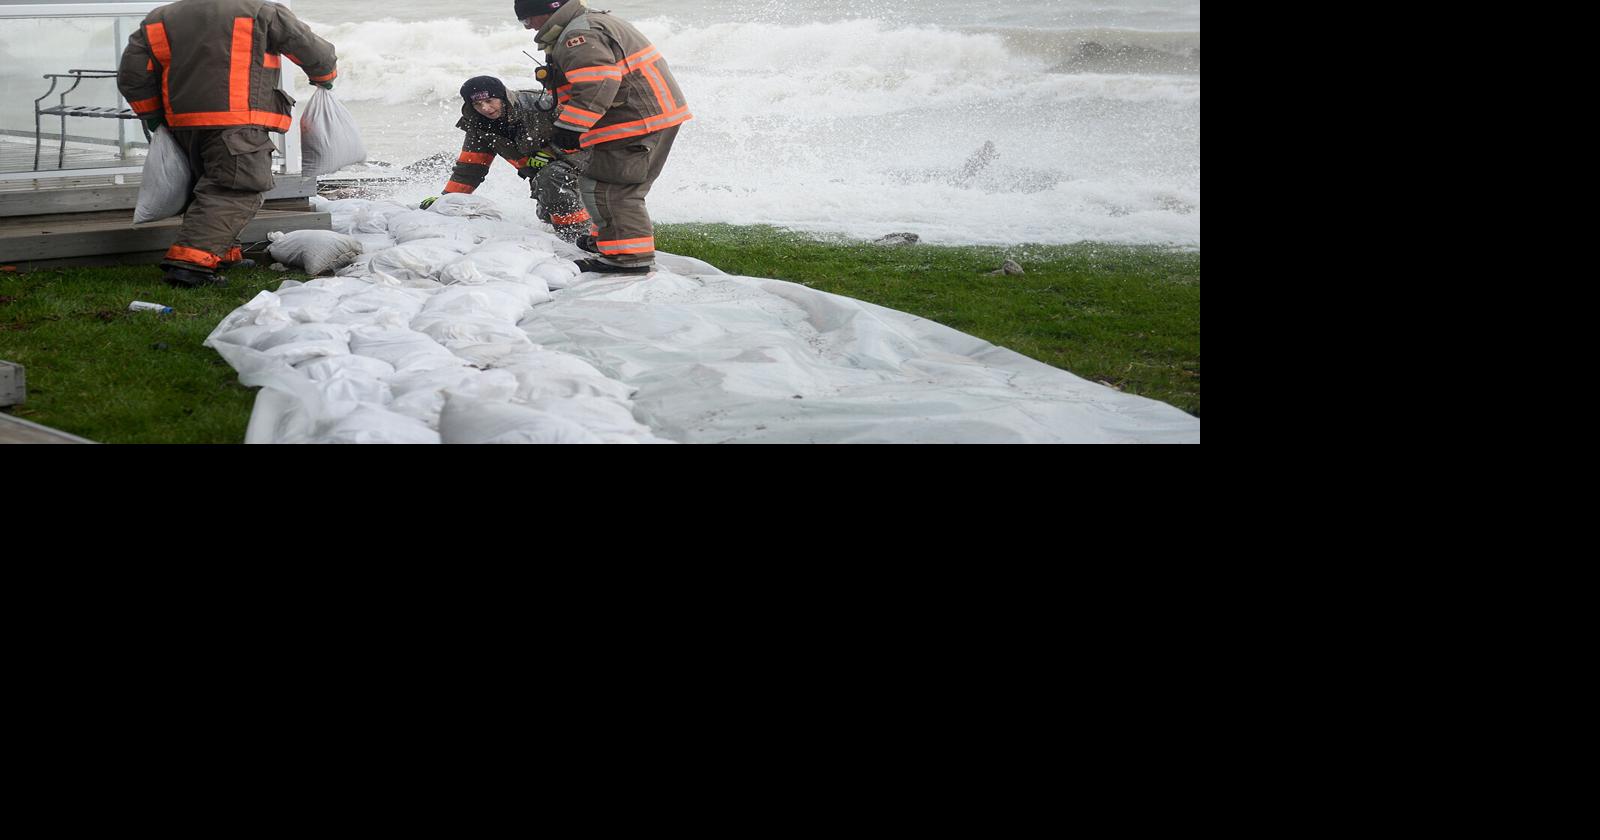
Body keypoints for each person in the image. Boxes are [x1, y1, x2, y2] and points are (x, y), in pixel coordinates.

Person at [118, 0, 338, 288]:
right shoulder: (261, 11)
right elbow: (312, 49)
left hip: (183, 123)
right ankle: (190, 265)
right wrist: (324, 76)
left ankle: (222, 253)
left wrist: (152, 114)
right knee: (236, 189)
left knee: (208, 187)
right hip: (237, 123)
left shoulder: (159, 18)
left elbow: (132, 76)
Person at [516, 0, 691, 275]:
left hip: (635, 121)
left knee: (613, 191)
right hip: (644, 116)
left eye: (527, 20)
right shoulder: (587, 22)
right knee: (597, 182)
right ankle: (608, 242)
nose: (528, 28)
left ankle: (628, 259)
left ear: (546, 10)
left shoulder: (577, 35)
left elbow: (598, 83)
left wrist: (571, 127)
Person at [417, 75, 595, 243]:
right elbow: (470, 169)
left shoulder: (541, 105)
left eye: (489, 101)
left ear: (502, 96)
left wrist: (554, 152)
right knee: (547, 212)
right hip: (544, 178)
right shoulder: (479, 125)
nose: (485, 108)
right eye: (477, 104)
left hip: (589, 161)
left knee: (552, 179)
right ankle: (584, 226)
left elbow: (589, 132)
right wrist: (446, 199)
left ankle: (578, 238)